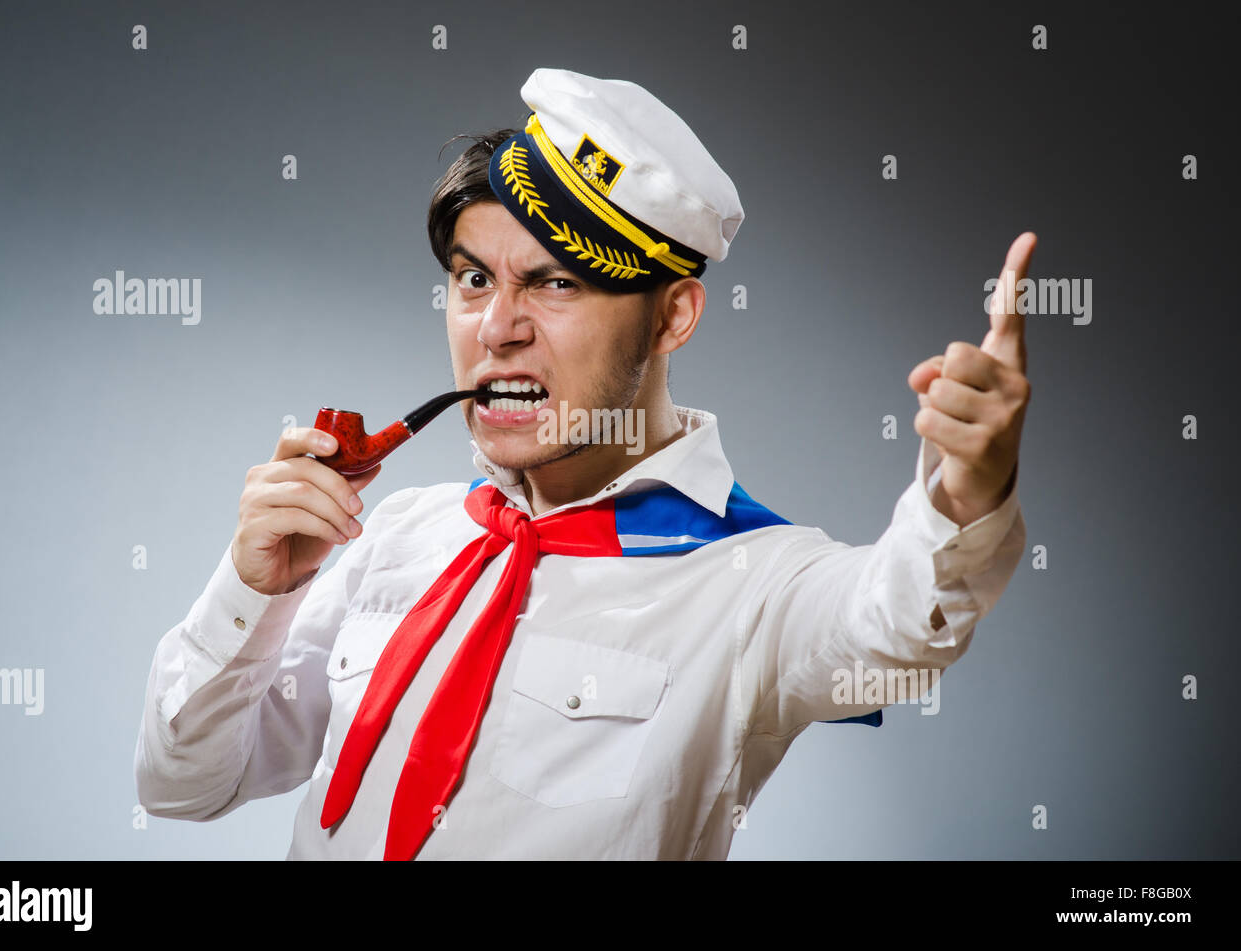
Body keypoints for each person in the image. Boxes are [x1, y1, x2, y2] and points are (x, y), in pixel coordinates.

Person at [134, 67, 1031, 860]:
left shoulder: (757, 585)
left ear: (673, 317)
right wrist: (256, 593)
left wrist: (966, 485)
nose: (497, 327)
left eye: (556, 282)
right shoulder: (395, 538)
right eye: (474, 278)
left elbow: (903, 627)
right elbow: (182, 785)